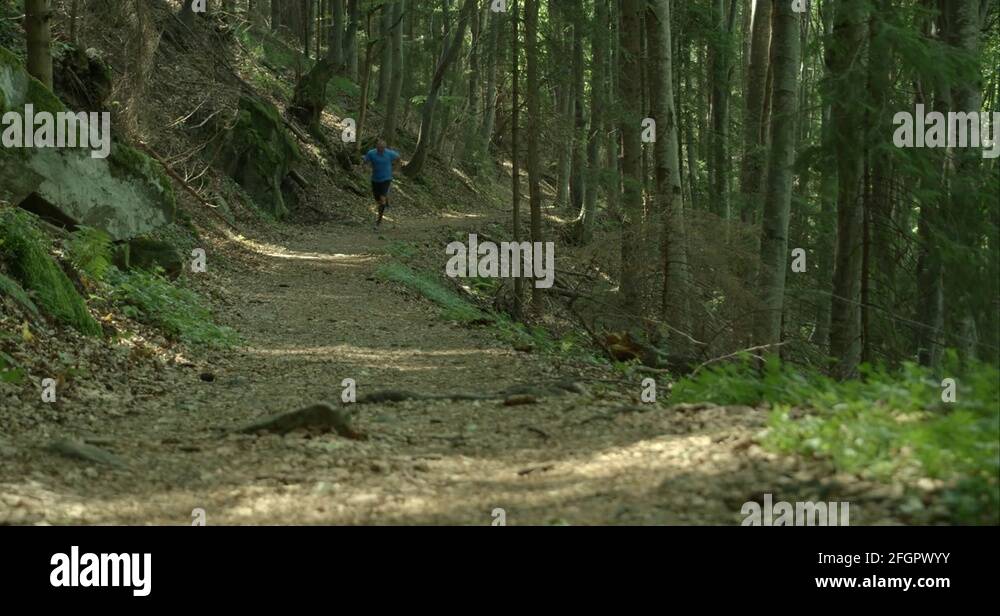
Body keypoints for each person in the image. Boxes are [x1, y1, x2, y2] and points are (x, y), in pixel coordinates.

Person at [363, 139, 401, 231]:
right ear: (376, 147)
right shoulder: (371, 153)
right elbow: (365, 162)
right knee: (377, 200)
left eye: (383, 148)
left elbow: (398, 158)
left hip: (386, 179)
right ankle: (385, 199)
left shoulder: (389, 153)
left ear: (385, 148)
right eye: (380, 148)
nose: (381, 150)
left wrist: (396, 169)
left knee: (382, 200)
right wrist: (366, 168)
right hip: (375, 179)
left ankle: (378, 222)